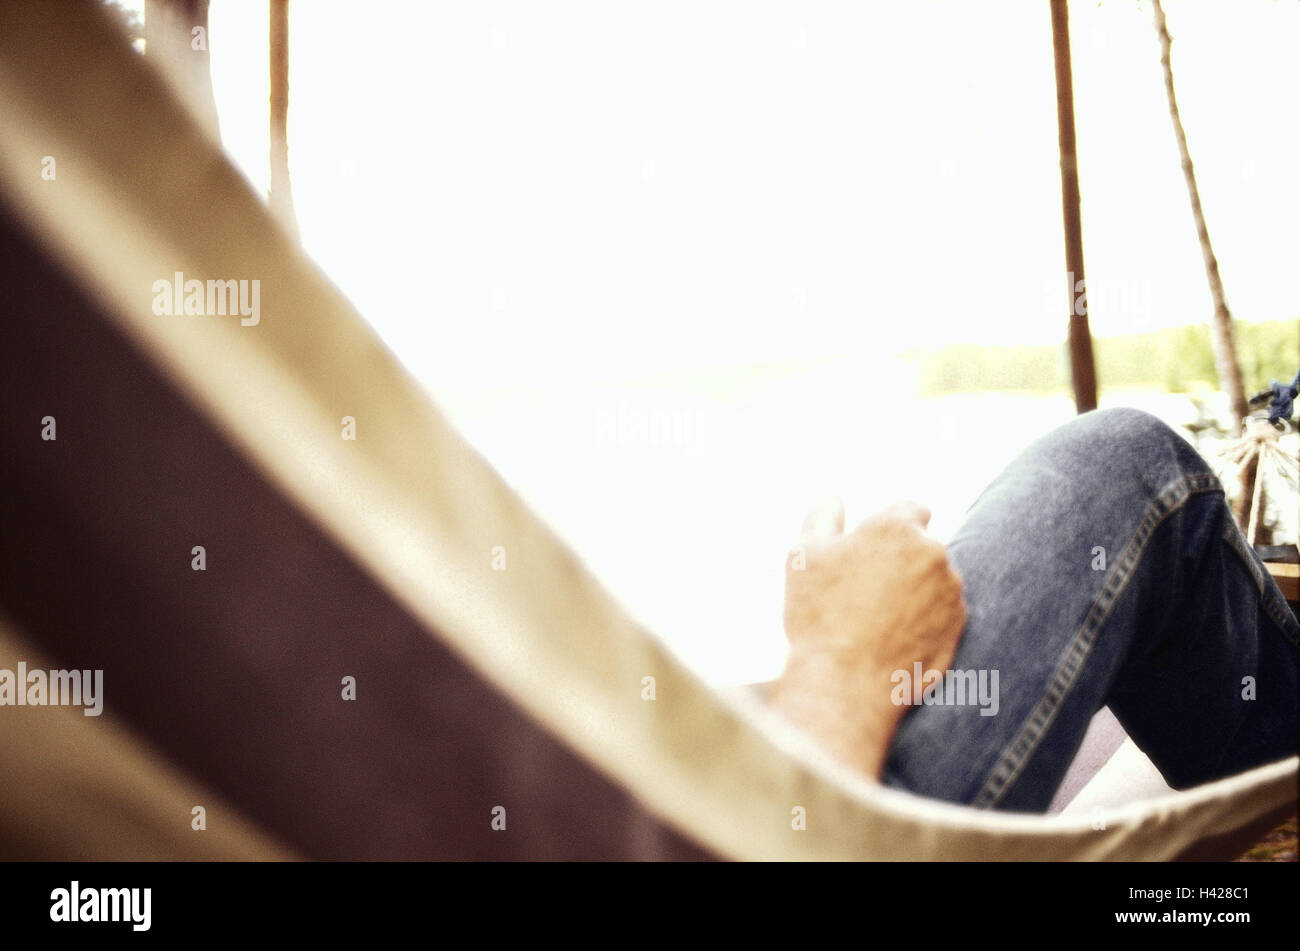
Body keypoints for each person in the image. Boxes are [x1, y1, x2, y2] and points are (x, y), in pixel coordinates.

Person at [771, 407, 1299, 812]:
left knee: (1118, 459)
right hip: (824, 826)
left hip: (774, 800)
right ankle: (1273, 760)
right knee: (1122, 458)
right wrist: (838, 661)